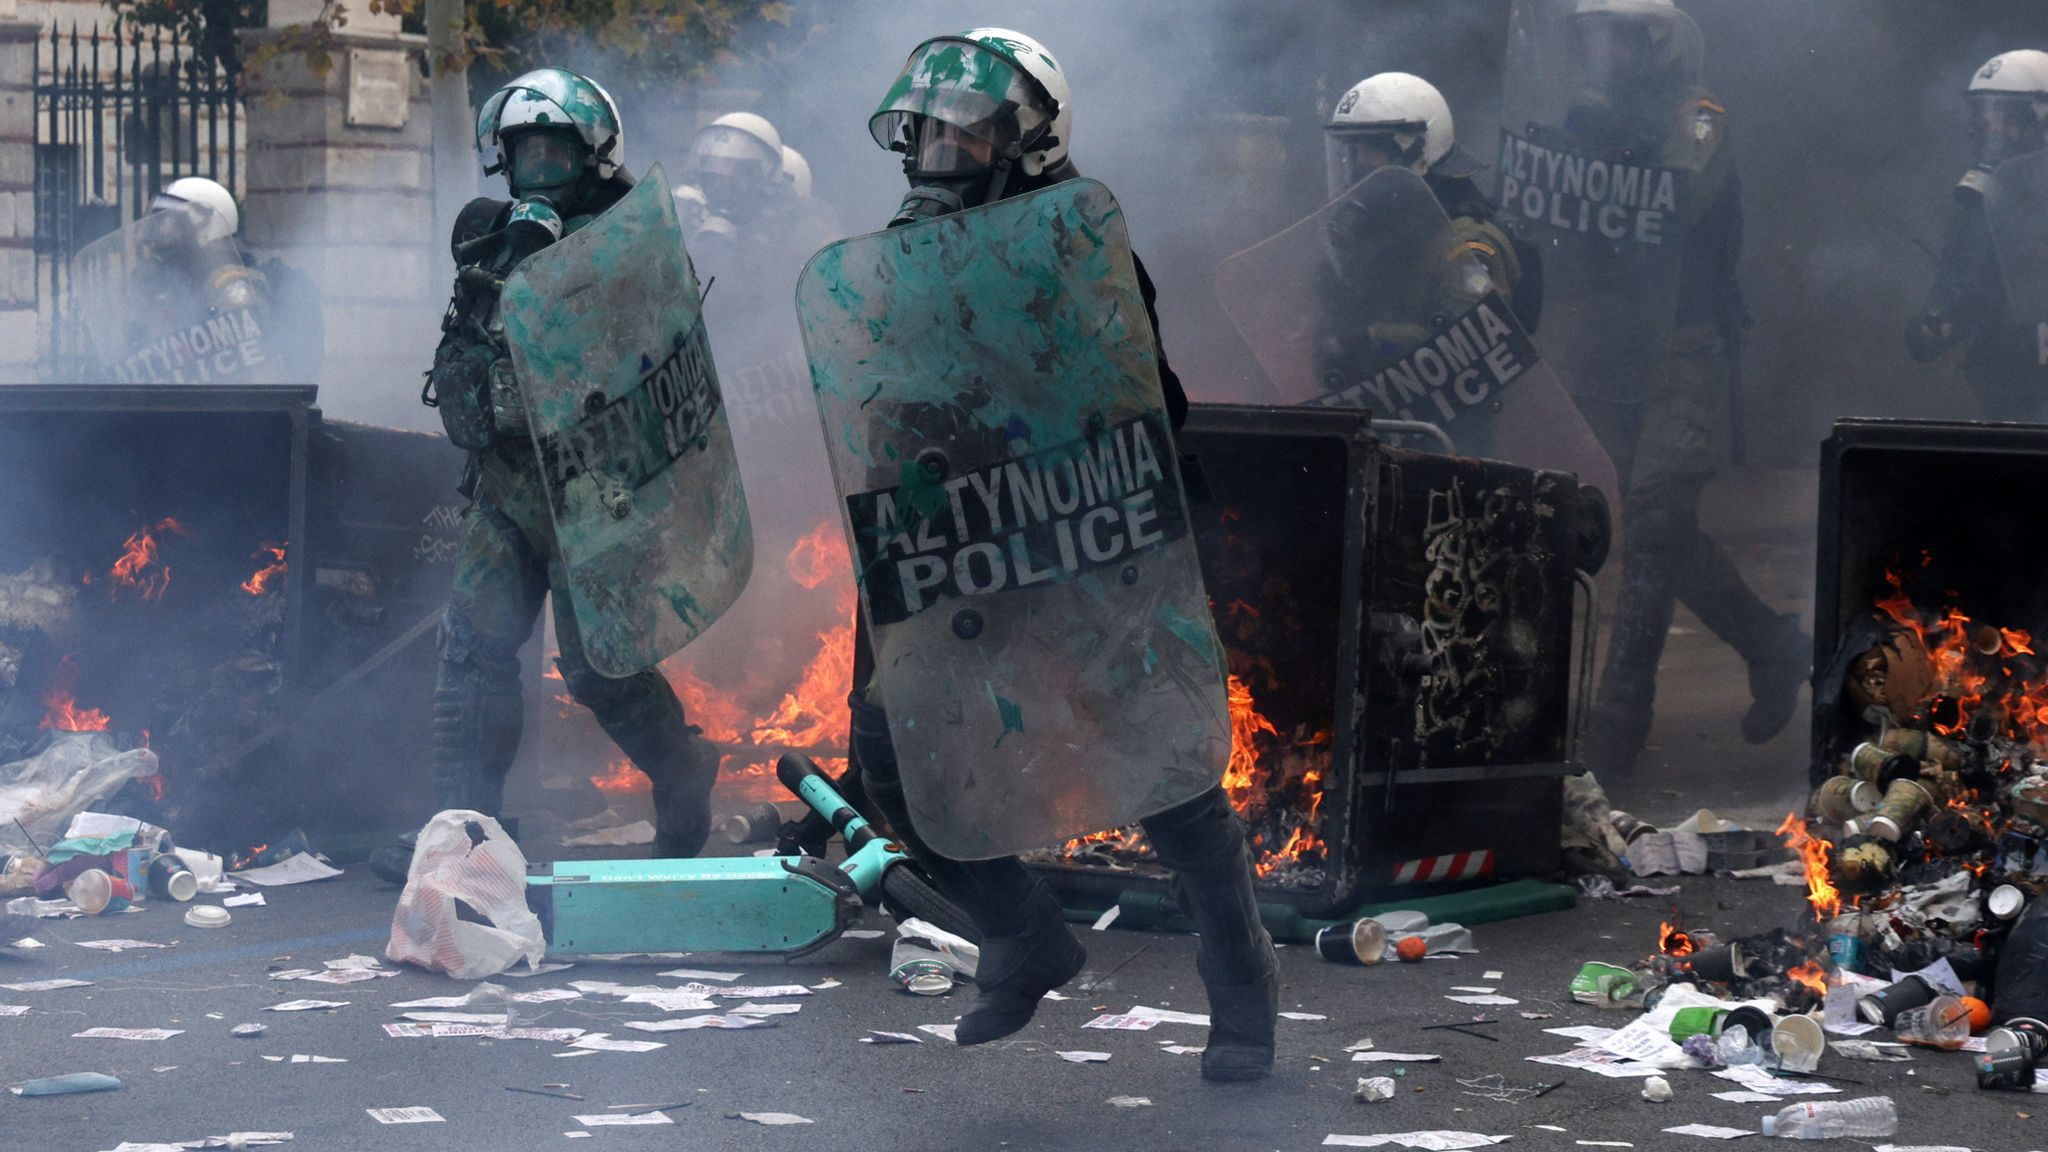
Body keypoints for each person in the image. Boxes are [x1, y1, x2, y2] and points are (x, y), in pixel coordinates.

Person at [837, 28, 1275, 1083]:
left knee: (1160, 766)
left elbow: (1144, 408)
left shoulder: (1081, 241)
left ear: (1029, 138)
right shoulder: (906, 247)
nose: (942, 147)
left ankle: (1238, 974)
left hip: (1076, 531)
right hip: (949, 538)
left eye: (966, 127)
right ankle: (1023, 933)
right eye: (930, 127)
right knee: (888, 760)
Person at [415, 67, 718, 859]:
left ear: (592, 154)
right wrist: (521, 244)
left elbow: (651, 333)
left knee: (599, 671)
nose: (537, 167)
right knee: (471, 656)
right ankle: (463, 835)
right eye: (523, 152)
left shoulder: (635, 232)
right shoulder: (490, 228)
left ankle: (683, 770)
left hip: (599, 486)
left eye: (554, 151)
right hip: (508, 477)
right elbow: (477, 298)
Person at [1514, 0, 1806, 779]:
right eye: (1591, 36)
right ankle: (1771, 643)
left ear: (1652, 42)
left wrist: (1611, 145)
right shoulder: (1588, 116)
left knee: (1655, 517)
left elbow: (1677, 203)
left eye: (1614, 36)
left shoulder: (1696, 120)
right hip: (1610, 342)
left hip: (1683, 339)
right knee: (1638, 517)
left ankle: (1618, 723)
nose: (1600, 52)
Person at [1322, 71, 1538, 334]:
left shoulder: (1466, 241)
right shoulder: (1396, 224)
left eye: (1370, 151)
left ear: (1417, 151)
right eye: (1352, 153)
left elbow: (1475, 342)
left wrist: (1371, 337)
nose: (1357, 167)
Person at [1905, 49, 2048, 422]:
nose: (1995, 131)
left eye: (2008, 119)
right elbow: (1966, 276)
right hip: (2011, 374)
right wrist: (1941, 320)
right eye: (1987, 116)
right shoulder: (1980, 201)